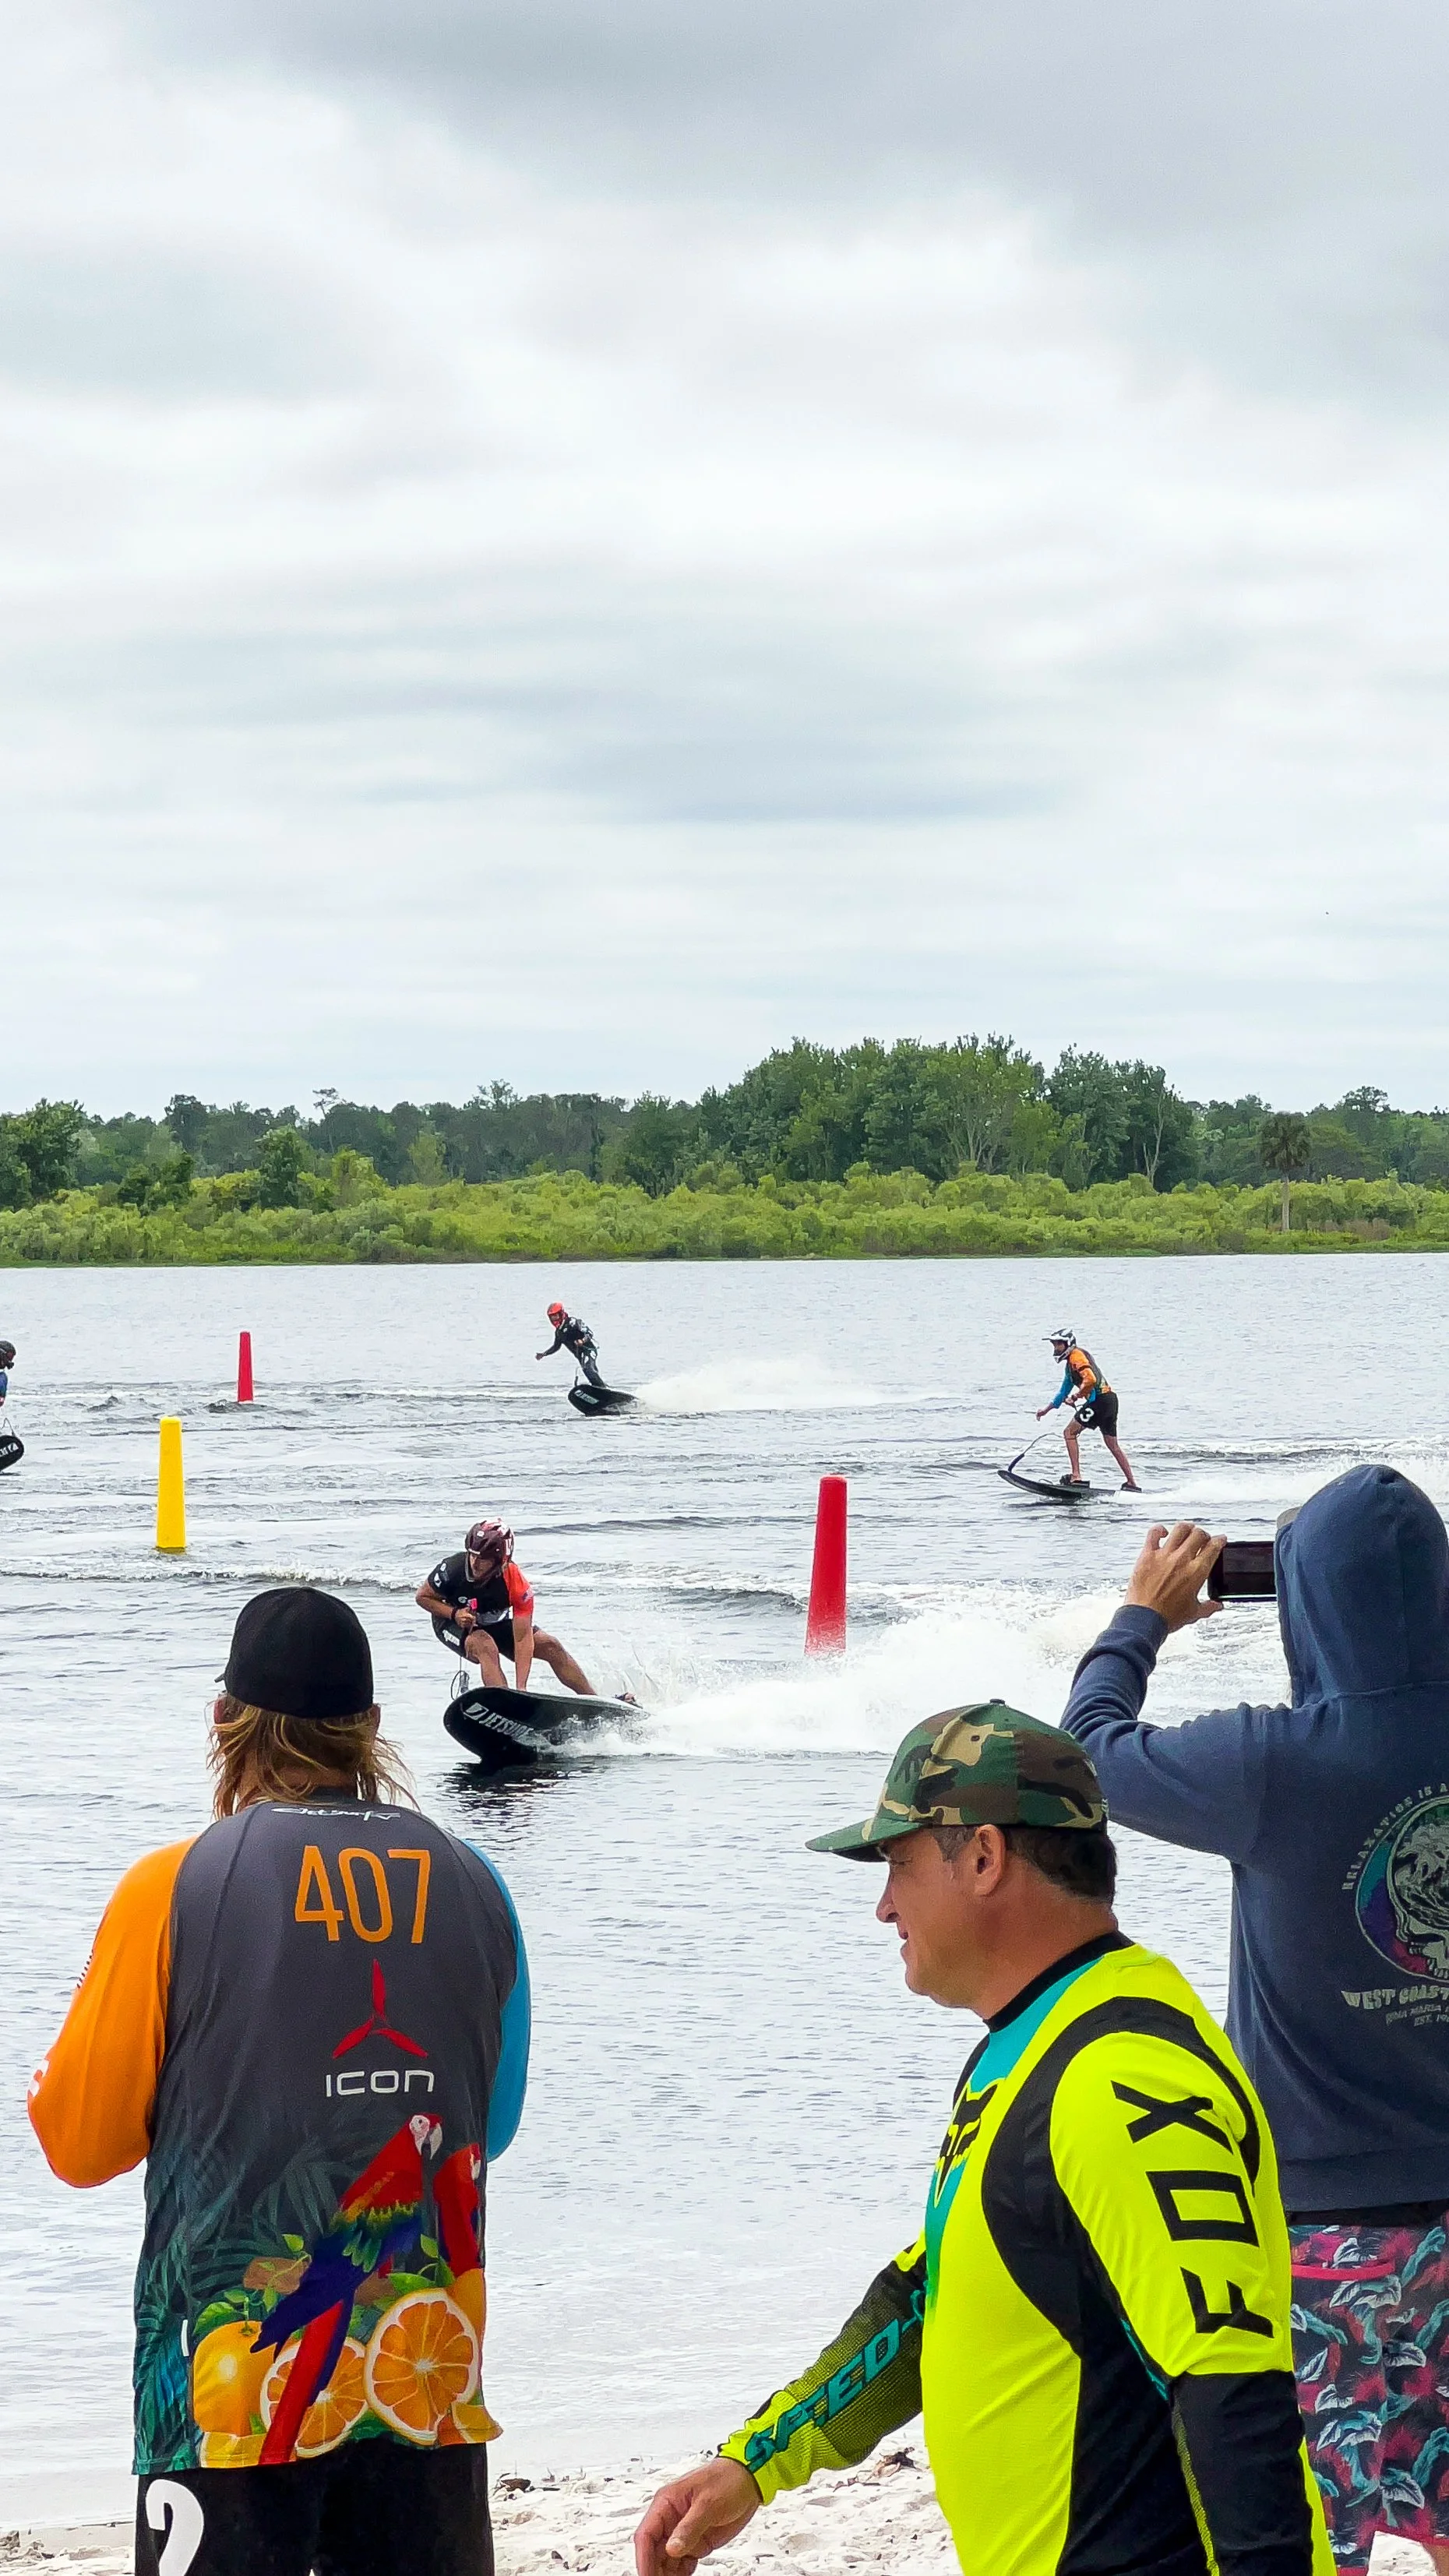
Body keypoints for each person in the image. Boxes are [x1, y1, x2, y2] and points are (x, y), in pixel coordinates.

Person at [634, 1704, 1329, 2576]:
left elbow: (1234, 2391)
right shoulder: (1028, 2042)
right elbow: (932, 2295)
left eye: (898, 1861)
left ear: (985, 1857)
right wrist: (755, 2463)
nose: (884, 1905)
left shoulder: (1127, 2077)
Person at [29, 1586, 529, 2576]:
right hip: (423, 2385)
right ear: (371, 1725)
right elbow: (493, 2123)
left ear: (225, 1718)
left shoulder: (172, 1885)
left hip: (226, 2406)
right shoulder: (478, 1881)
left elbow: (80, 2146)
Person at [1059, 1469, 1449, 2576]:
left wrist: (1141, 1620)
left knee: (1314, 2537)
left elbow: (1085, 1753)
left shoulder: (1274, 1758)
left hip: (1317, 2228)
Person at [417, 1517, 596, 1697]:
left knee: (550, 1645)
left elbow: (522, 1638)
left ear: (500, 1561)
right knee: (485, 1645)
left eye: (483, 1559)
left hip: (493, 1622)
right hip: (450, 1621)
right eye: (472, 1555)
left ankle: (594, 1700)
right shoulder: (452, 1568)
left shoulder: (516, 1583)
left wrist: (521, 1688)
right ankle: (503, 1701)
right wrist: (454, 1613)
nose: (474, 1563)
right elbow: (422, 1597)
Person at [1037, 1326, 1139, 1490]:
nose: (1056, 1348)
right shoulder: (1070, 1366)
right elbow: (1063, 1392)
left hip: (1100, 1401)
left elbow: (1090, 1379)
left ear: (1068, 1344)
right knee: (1112, 1444)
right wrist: (1046, 1410)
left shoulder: (1076, 1357)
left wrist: (1076, 1397)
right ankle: (1131, 1483)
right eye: (1054, 1345)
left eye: (1059, 1344)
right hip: (1110, 1400)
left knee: (1069, 1433)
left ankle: (1076, 1476)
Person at [536, 1302, 605, 1389]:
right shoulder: (559, 1333)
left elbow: (589, 1333)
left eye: (556, 1316)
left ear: (561, 1314)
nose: (554, 1319)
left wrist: (582, 1340)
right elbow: (556, 1347)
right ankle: (598, 1389)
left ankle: (602, 1388)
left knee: (589, 1369)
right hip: (579, 1355)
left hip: (589, 1350)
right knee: (587, 1371)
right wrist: (544, 1354)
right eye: (552, 1317)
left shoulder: (573, 1322)